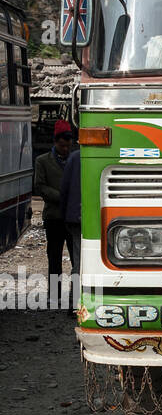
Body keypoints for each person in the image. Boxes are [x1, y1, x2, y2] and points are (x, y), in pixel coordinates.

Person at [34, 119, 75, 309]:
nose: (65, 149)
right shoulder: (42, 161)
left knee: (77, 258)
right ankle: (54, 296)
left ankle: (77, 295)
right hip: (54, 217)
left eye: (68, 145)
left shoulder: (77, 159)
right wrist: (64, 197)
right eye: (62, 145)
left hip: (74, 218)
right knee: (54, 257)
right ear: (55, 142)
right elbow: (40, 186)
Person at [59, 142, 82, 315]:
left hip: (76, 218)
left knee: (79, 261)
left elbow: (64, 189)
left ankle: (75, 303)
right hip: (101, 219)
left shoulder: (74, 158)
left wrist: (65, 215)